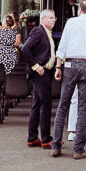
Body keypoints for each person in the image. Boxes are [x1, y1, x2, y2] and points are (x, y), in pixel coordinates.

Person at [51, 0, 86, 159]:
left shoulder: (71, 22)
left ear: (79, 10)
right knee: (83, 108)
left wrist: (58, 67)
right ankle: (79, 149)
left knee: (63, 106)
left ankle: (56, 145)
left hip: (69, 65)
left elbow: (62, 47)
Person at [22, 8, 57, 148]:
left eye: (54, 18)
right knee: (45, 105)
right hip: (40, 73)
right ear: (43, 19)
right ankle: (46, 139)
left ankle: (32, 137)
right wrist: (36, 66)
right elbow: (25, 48)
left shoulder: (47, 33)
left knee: (37, 105)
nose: (54, 20)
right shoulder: (39, 31)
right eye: (51, 18)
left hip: (44, 72)